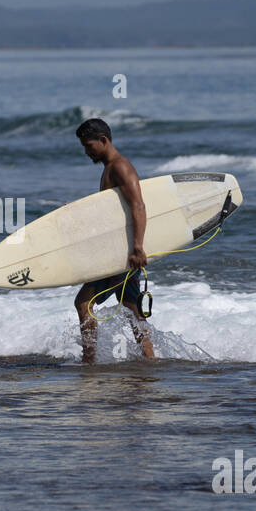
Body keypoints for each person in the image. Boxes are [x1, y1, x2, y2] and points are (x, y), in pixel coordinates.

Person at [73, 118, 153, 363]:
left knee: (83, 302)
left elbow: (138, 205)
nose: (86, 152)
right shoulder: (109, 168)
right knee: (132, 310)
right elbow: (112, 213)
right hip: (119, 252)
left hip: (121, 254)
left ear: (104, 140)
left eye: (89, 146)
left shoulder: (120, 166)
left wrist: (138, 247)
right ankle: (150, 361)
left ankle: (89, 362)